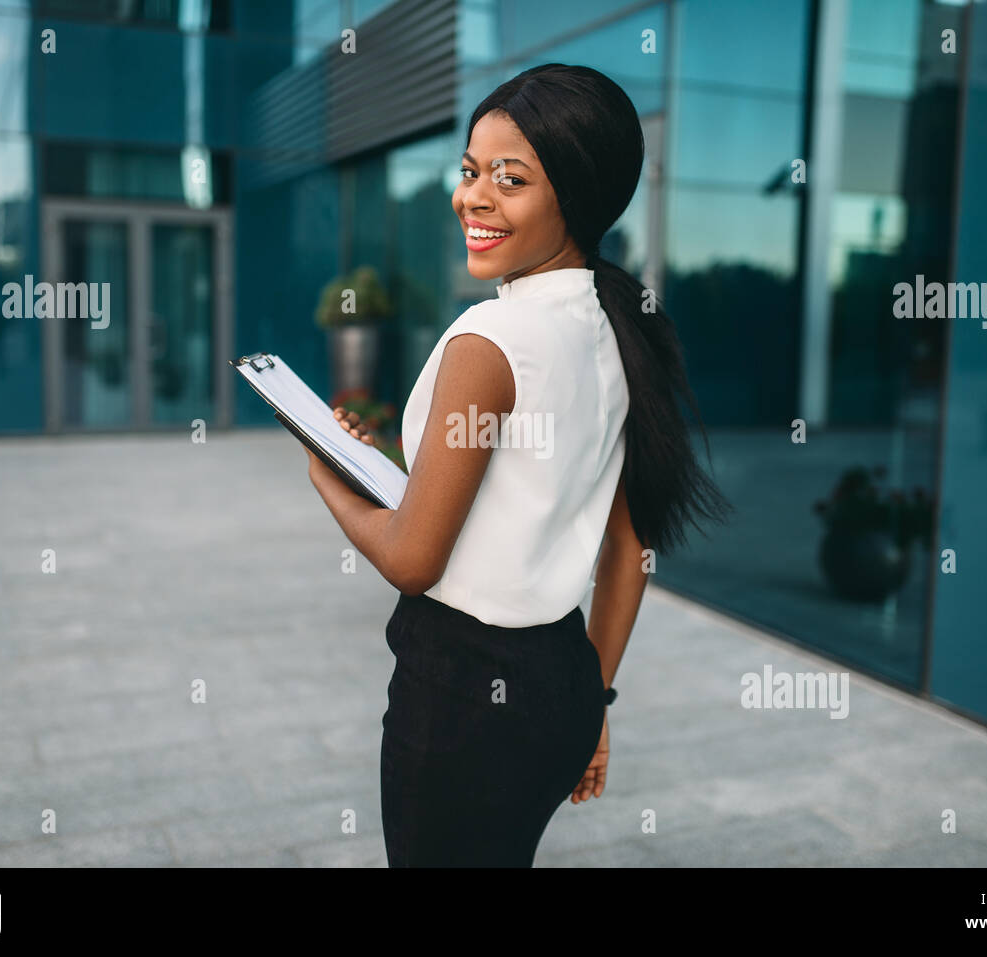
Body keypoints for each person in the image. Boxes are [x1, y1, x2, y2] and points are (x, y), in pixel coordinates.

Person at [303, 63, 732, 867]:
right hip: (559, 680)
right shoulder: (615, 333)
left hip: (461, 698)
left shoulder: (488, 345)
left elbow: (412, 557)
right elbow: (630, 546)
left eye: (511, 179)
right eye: (469, 172)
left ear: (575, 191)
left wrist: (325, 470)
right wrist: (592, 697)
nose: (474, 198)